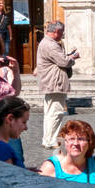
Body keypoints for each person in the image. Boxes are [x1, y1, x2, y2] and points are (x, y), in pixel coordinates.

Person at [34, 20, 78, 151]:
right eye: (61, 33)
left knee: (50, 113)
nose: (62, 35)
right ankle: (51, 140)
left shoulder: (46, 42)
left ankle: (47, 139)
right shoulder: (51, 44)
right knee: (56, 112)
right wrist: (73, 57)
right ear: (56, 31)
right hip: (55, 81)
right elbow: (64, 62)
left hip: (50, 81)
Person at [39, 119, 95, 184]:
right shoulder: (51, 166)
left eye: (81, 139)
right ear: (63, 142)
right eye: (71, 139)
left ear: (90, 143)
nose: (76, 143)